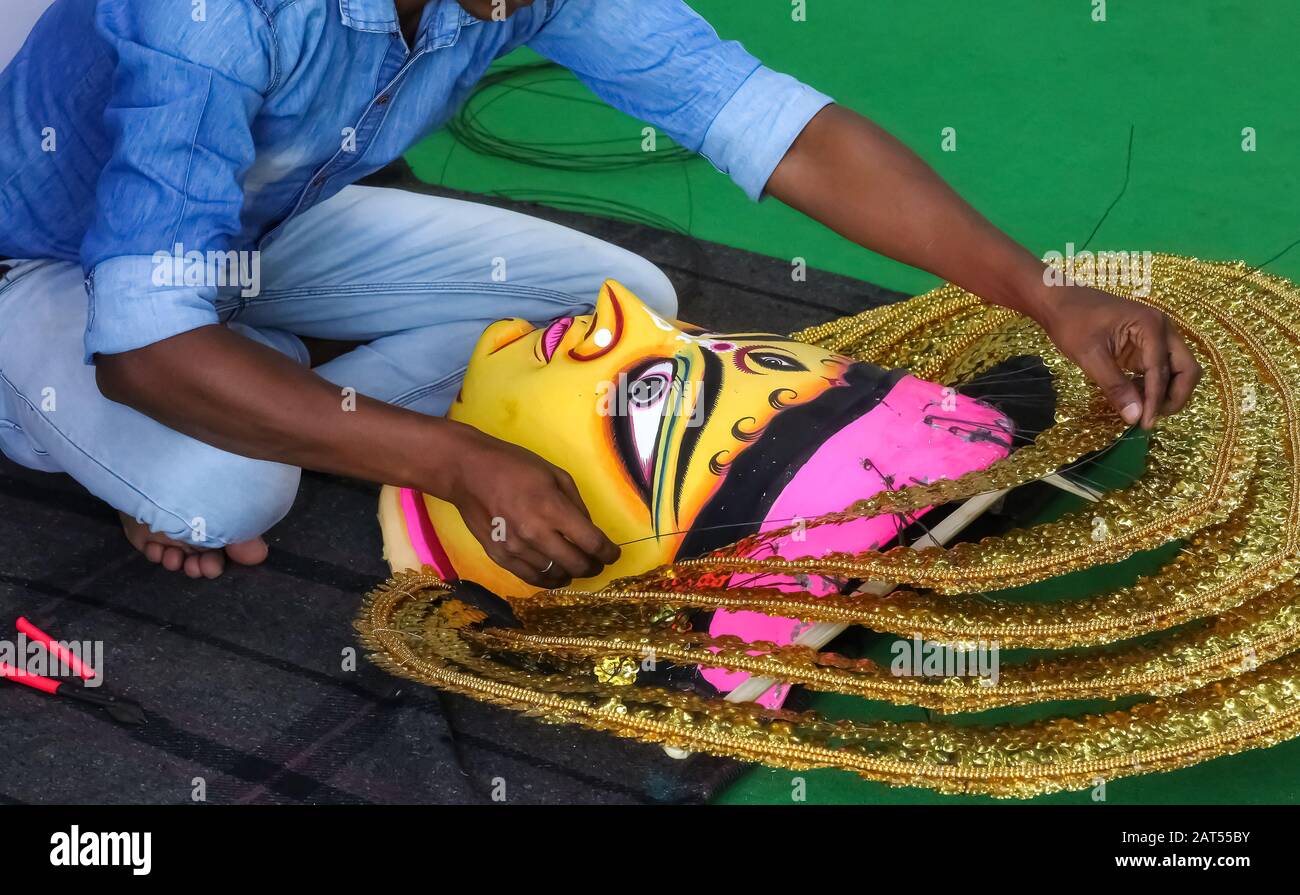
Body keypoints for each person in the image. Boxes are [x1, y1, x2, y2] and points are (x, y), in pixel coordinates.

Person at [0, 0, 1199, 584]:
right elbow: (147, 339)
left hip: (257, 235)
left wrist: (1044, 294)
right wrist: (457, 463)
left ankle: (244, 398)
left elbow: (773, 125)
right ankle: (201, 427)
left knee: (613, 298)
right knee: (224, 492)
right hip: (49, 262)